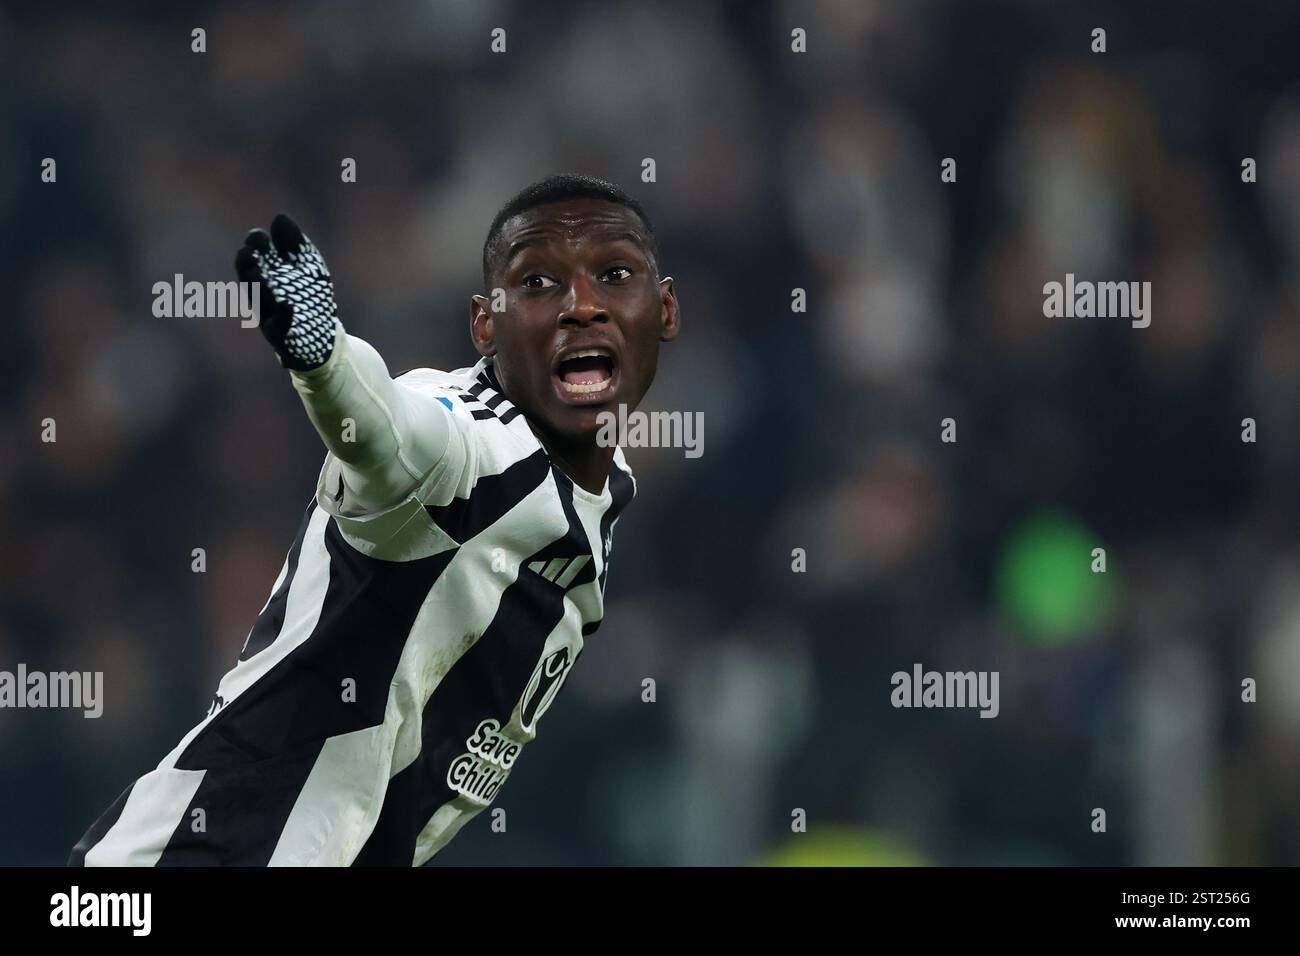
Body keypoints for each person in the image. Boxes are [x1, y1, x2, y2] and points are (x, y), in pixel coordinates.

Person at [70, 173, 681, 865]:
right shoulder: (479, 447)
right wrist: (324, 360)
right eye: (538, 283)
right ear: (485, 324)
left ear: (664, 310)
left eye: (615, 274)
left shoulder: (604, 492)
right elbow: (390, 433)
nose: (582, 306)